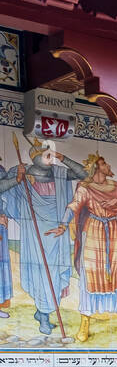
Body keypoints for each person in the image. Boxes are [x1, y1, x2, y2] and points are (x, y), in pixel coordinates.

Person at [46, 153, 117, 342]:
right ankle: (84, 326)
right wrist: (63, 224)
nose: (107, 166)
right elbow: (73, 206)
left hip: (112, 232)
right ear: (96, 168)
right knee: (90, 278)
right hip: (94, 232)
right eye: (104, 163)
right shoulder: (85, 188)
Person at [0, 138, 86, 335]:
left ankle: (42, 312)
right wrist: (18, 180)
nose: (50, 158)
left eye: (51, 154)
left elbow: (83, 173)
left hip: (57, 232)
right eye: (46, 155)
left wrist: (61, 156)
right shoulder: (23, 172)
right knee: (40, 274)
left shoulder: (59, 174)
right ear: (35, 157)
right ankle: (45, 317)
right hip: (35, 231)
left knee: (55, 274)